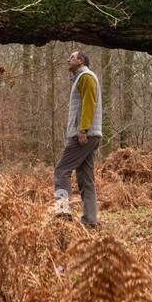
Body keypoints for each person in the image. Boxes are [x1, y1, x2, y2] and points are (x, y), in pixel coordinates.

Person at [54, 50, 103, 228]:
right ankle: (90, 221)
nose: (68, 60)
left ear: (81, 61)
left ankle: (62, 213)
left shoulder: (86, 77)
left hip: (84, 135)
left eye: (72, 57)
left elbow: (89, 103)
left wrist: (82, 129)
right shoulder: (80, 78)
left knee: (61, 172)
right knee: (85, 178)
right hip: (91, 135)